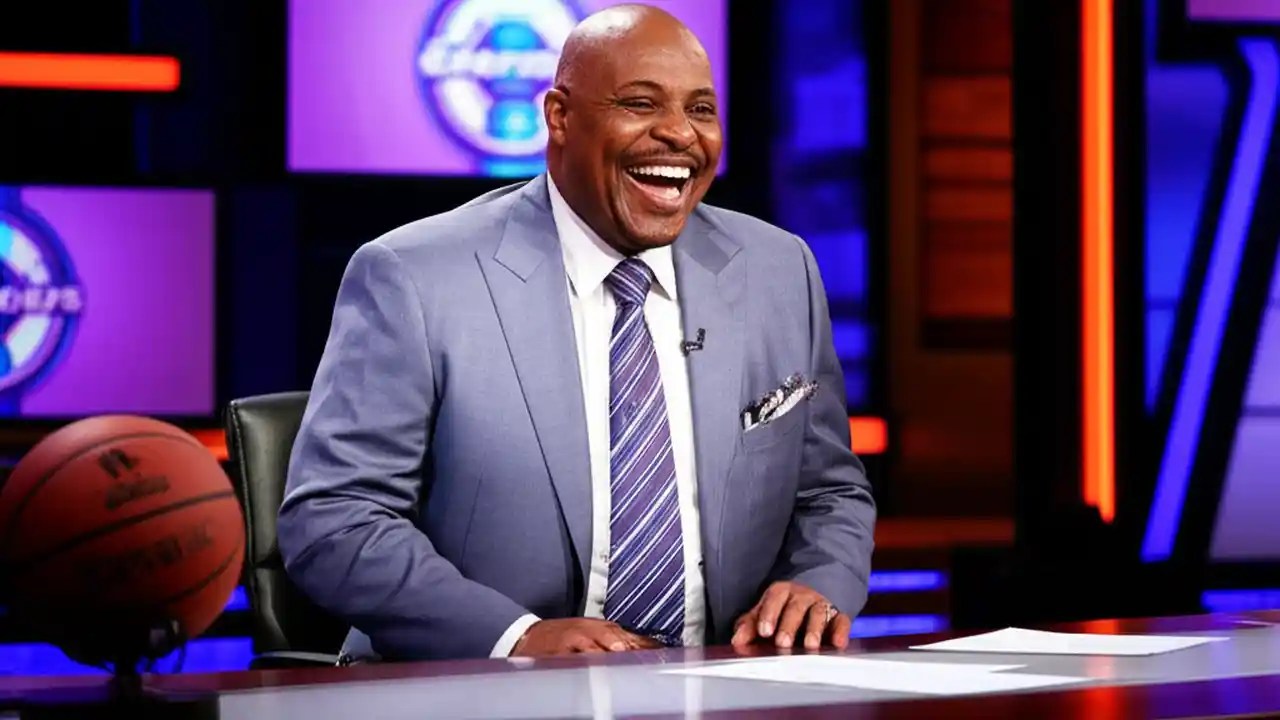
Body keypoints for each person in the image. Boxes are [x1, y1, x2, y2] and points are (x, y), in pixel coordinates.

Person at [277, 3, 876, 662]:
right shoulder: (415, 277)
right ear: (559, 116)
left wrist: (816, 583)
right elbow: (333, 519)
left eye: (701, 110)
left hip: (724, 682)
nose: (679, 134)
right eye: (641, 104)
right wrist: (516, 638)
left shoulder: (777, 269)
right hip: (477, 687)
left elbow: (830, 491)